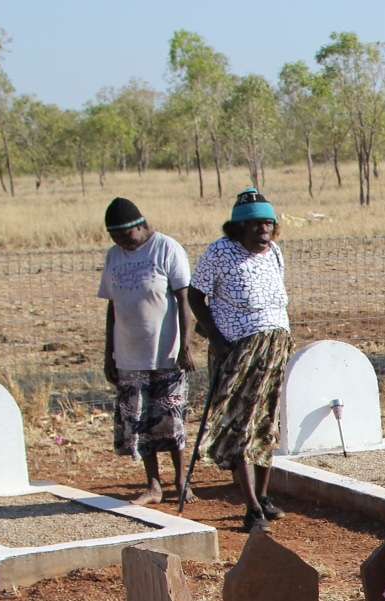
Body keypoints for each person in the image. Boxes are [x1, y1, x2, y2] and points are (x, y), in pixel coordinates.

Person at [187, 188, 292, 532]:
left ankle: (263, 497)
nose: (263, 232)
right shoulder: (220, 253)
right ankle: (251, 509)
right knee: (242, 428)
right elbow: (195, 295)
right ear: (238, 229)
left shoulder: (274, 252)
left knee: (268, 426)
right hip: (239, 351)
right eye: (255, 226)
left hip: (275, 348)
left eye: (268, 225)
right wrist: (216, 338)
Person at [98, 197, 194, 505]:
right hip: (129, 355)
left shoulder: (166, 248)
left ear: (140, 226)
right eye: (114, 237)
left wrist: (186, 347)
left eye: (125, 235)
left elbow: (184, 300)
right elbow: (112, 307)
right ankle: (153, 484)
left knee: (171, 419)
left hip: (166, 352)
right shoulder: (114, 256)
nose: (121, 242)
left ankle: (181, 481)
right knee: (138, 422)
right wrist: (108, 354)